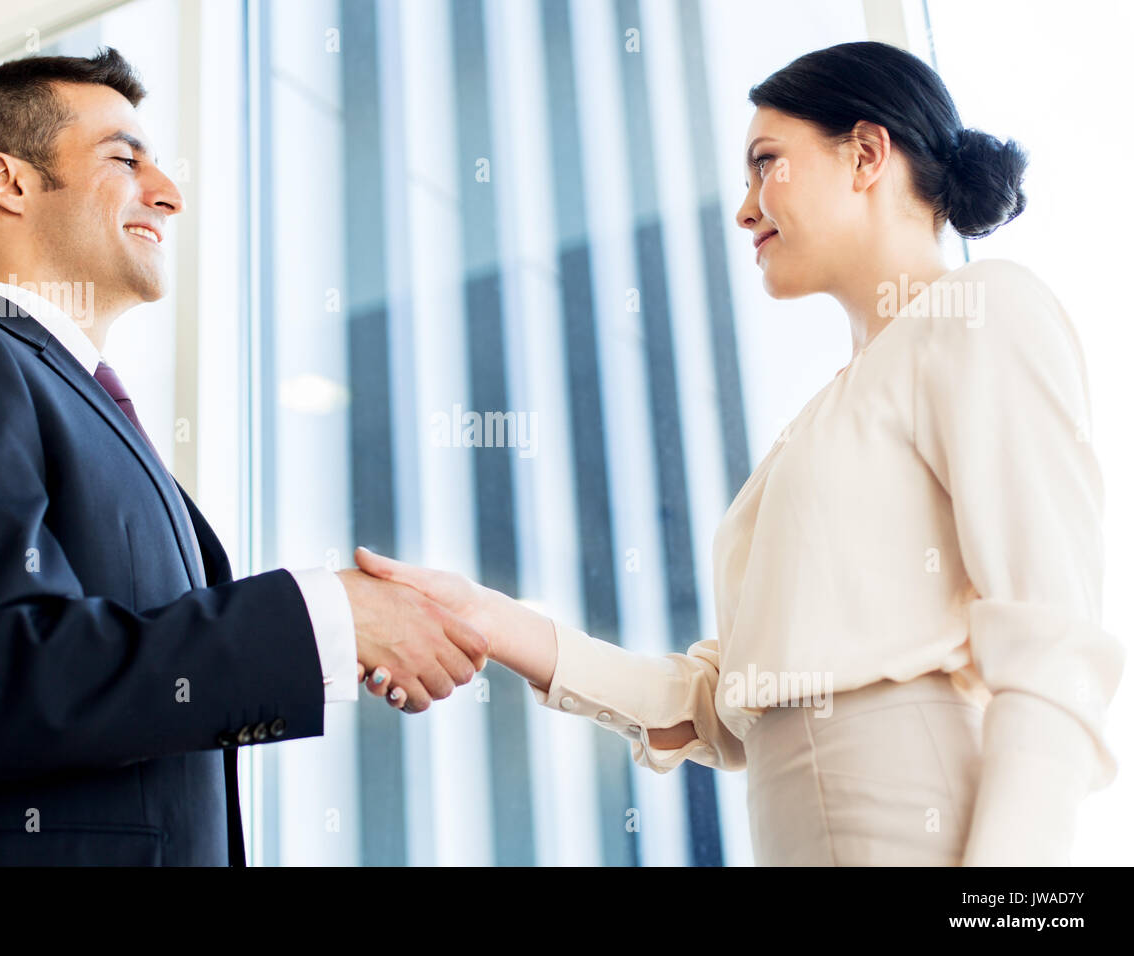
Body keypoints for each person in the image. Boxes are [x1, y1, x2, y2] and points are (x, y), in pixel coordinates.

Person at [353, 40, 1125, 866]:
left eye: (767, 164)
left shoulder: (979, 310)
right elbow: (716, 706)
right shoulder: (826, 417)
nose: (746, 208)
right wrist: (485, 617)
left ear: (867, 154)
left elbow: (1054, 650)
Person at [0, 47, 486, 866]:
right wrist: (329, 617)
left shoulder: (96, 417)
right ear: (8, 182)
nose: (169, 195)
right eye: (123, 158)